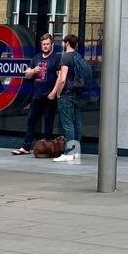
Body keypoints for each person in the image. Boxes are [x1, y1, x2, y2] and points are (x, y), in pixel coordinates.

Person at [13, 33, 60, 155]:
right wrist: (34, 70)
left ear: (52, 45)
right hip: (37, 95)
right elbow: (27, 73)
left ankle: (48, 148)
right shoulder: (36, 58)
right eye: (43, 44)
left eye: (47, 44)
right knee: (31, 120)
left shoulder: (56, 58)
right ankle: (26, 147)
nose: (45, 46)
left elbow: (60, 78)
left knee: (48, 122)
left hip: (49, 96)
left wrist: (54, 93)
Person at [49, 34, 87, 163]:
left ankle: (69, 153)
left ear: (66, 44)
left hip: (67, 93)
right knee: (77, 123)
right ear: (76, 45)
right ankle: (75, 152)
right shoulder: (79, 57)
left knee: (68, 123)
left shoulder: (66, 57)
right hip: (78, 93)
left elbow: (62, 78)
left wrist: (58, 93)